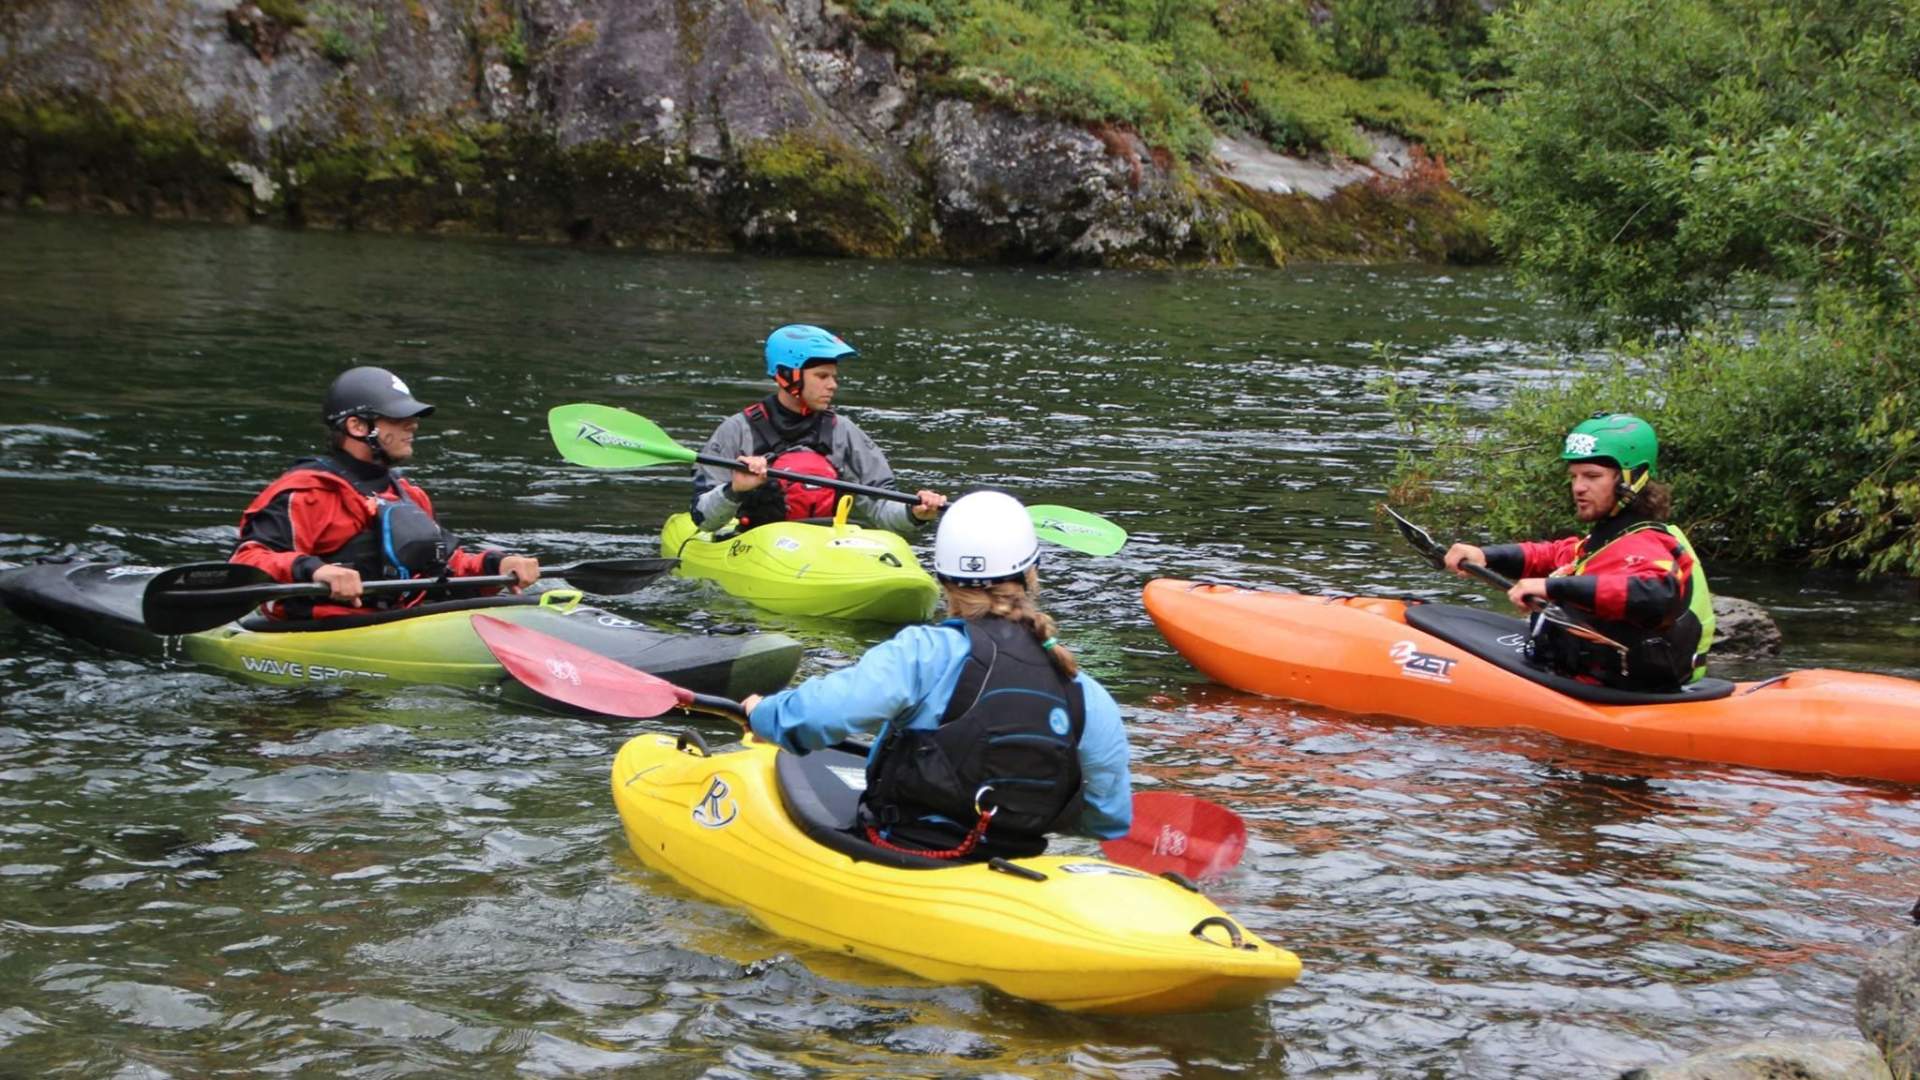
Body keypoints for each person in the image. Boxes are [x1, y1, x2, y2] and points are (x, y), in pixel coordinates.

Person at [740, 490, 1132, 860]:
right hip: (1017, 860)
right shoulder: (1080, 687)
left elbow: (815, 718)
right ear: (1032, 575)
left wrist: (763, 714)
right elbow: (1108, 817)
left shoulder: (923, 652)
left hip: (909, 853)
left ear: (942, 580)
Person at [231, 366, 539, 619]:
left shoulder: (407, 495)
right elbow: (248, 561)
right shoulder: (307, 492)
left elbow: (444, 566)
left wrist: (497, 564)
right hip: (318, 631)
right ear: (357, 426)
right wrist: (315, 570)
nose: (413, 426)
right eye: (397, 417)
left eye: (412, 418)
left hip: (394, 621)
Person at [1442, 412, 1715, 691]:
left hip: (1633, 688)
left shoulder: (1643, 544)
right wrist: (1486, 556)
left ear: (1630, 481)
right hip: (1623, 678)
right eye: (1574, 476)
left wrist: (1552, 587)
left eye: (1592, 476)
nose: (1578, 488)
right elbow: (1556, 555)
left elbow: (1656, 593)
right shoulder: (1619, 536)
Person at [689, 324, 946, 535]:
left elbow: (882, 508)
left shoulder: (843, 432)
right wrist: (735, 489)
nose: (833, 385)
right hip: (755, 544)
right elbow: (704, 520)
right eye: (822, 376)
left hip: (823, 545)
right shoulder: (738, 430)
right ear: (786, 376)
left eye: (834, 377)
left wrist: (915, 512)